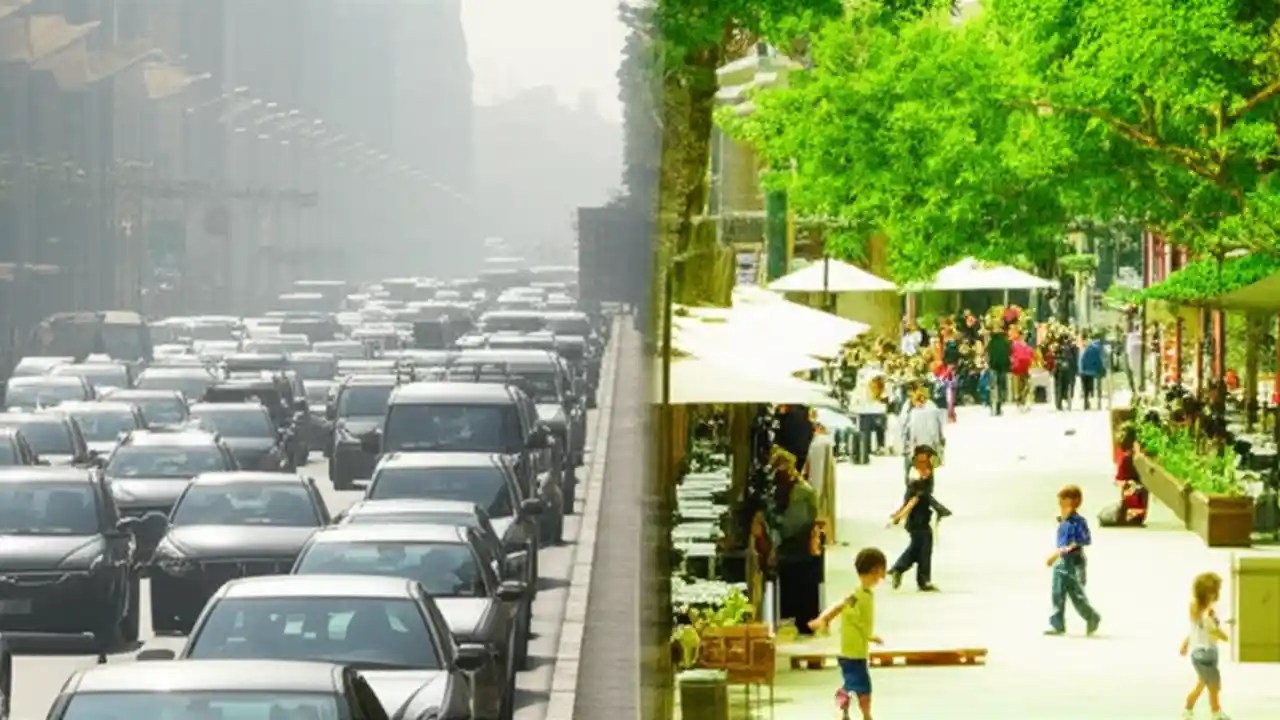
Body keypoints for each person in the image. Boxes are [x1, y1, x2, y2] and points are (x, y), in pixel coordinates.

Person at [808, 547, 887, 720]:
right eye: (882, 570)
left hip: (852, 650)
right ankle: (864, 714)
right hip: (853, 651)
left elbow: (840, 606)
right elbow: (854, 618)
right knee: (863, 686)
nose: (883, 575)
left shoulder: (860, 593)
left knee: (853, 683)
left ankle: (845, 710)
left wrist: (824, 619)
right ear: (875, 570)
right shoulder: (858, 595)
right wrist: (870, 636)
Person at [772, 448, 822, 635]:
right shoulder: (790, 489)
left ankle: (804, 622)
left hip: (798, 549)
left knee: (801, 587)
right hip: (794, 550)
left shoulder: (800, 492)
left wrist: (773, 523)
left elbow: (794, 524)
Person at [1045, 484, 1101, 636]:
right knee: (1057, 592)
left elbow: (1083, 540)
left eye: (1065, 499)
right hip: (1062, 560)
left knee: (1076, 594)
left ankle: (1092, 617)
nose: (1062, 503)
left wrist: (1057, 553)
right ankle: (1057, 623)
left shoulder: (1078, 522)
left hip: (1073, 560)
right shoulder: (1064, 520)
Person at [887, 446, 941, 592]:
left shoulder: (925, 474)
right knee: (921, 547)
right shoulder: (917, 477)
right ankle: (909, 574)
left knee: (920, 547)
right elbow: (912, 500)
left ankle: (911, 575)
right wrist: (899, 516)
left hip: (920, 517)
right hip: (917, 519)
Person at [1180, 572, 1231, 720]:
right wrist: (1225, 636)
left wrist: (1185, 644)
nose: (1215, 594)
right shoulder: (1201, 609)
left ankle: (1188, 708)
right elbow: (1208, 628)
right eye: (1212, 591)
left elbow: (1196, 630)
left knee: (1203, 684)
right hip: (1203, 652)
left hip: (1207, 651)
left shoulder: (1204, 609)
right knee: (1213, 685)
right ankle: (1216, 713)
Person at [986, 324, 1011, 415]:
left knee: (993, 386)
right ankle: (999, 405)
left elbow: (988, 354)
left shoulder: (991, 342)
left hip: (993, 366)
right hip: (1003, 367)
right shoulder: (1006, 342)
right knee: (1001, 386)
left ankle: (993, 405)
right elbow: (1009, 353)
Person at [1078, 332, 1107, 410]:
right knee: (1097, 385)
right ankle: (1098, 401)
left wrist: (1081, 370)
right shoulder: (1098, 348)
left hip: (1084, 371)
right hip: (1094, 370)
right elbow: (1099, 360)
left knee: (1086, 387)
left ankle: (1086, 401)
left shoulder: (1086, 347)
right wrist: (1102, 370)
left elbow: (1082, 359)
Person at [1052, 331, 1079, 411]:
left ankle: (1059, 403)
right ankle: (1067, 398)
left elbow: (1054, 358)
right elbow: (1075, 360)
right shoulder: (1072, 347)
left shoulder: (1057, 347)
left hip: (1059, 370)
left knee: (1059, 386)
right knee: (1069, 385)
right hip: (1069, 370)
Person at [1010, 328, 1034, 410]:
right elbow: (1031, 354)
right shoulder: (1025, 345)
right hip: (1023, 367)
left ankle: (1020, 400)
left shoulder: (1014, 344)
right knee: (1025, 384)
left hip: (1017, 368)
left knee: (1020, 385)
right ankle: (1022, 400)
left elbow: (1011, 355)